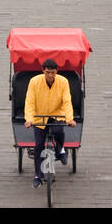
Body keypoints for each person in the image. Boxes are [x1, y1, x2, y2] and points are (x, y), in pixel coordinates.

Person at [22, 58, 75, 188]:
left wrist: (69, 119)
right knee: (39, 145)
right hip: (40, 116)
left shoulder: (63, 82)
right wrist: (29, 119)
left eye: (52, 72)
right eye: (47, 72)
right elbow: (29, 102)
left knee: (58, 131)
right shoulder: (34, 82)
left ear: (56, 71)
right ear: (43, 71)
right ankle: (38, 176)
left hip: (57, 113)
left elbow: (67, 101)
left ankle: (61, 148)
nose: (50, 75)